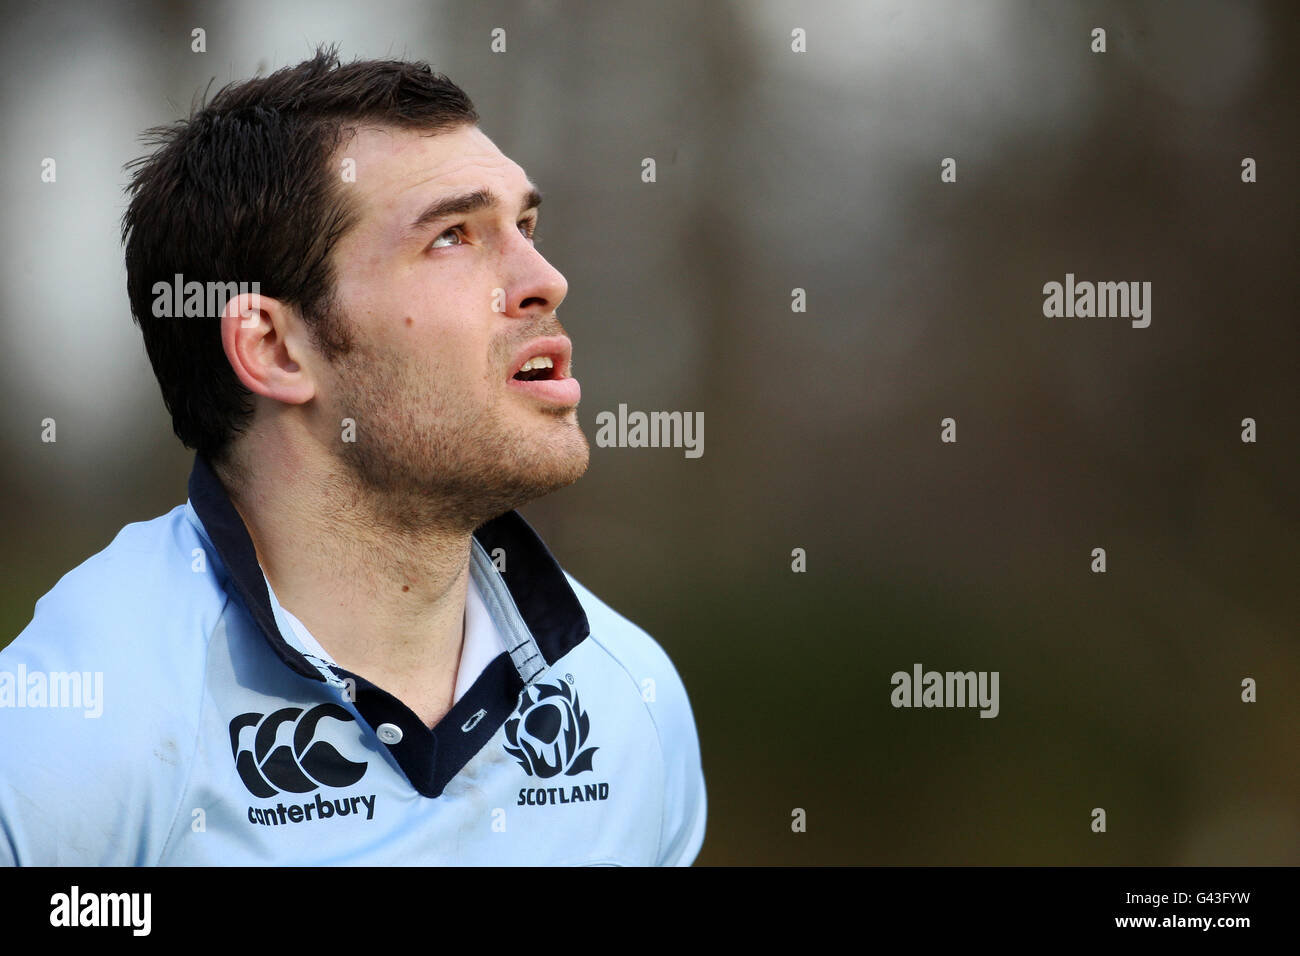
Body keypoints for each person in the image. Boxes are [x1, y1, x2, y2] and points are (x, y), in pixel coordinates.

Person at [0, 48, 706, 865]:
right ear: (274, 348)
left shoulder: (628, 699)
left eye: (526, 227)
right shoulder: (76, 726)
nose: (544, 279)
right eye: (452, 237)